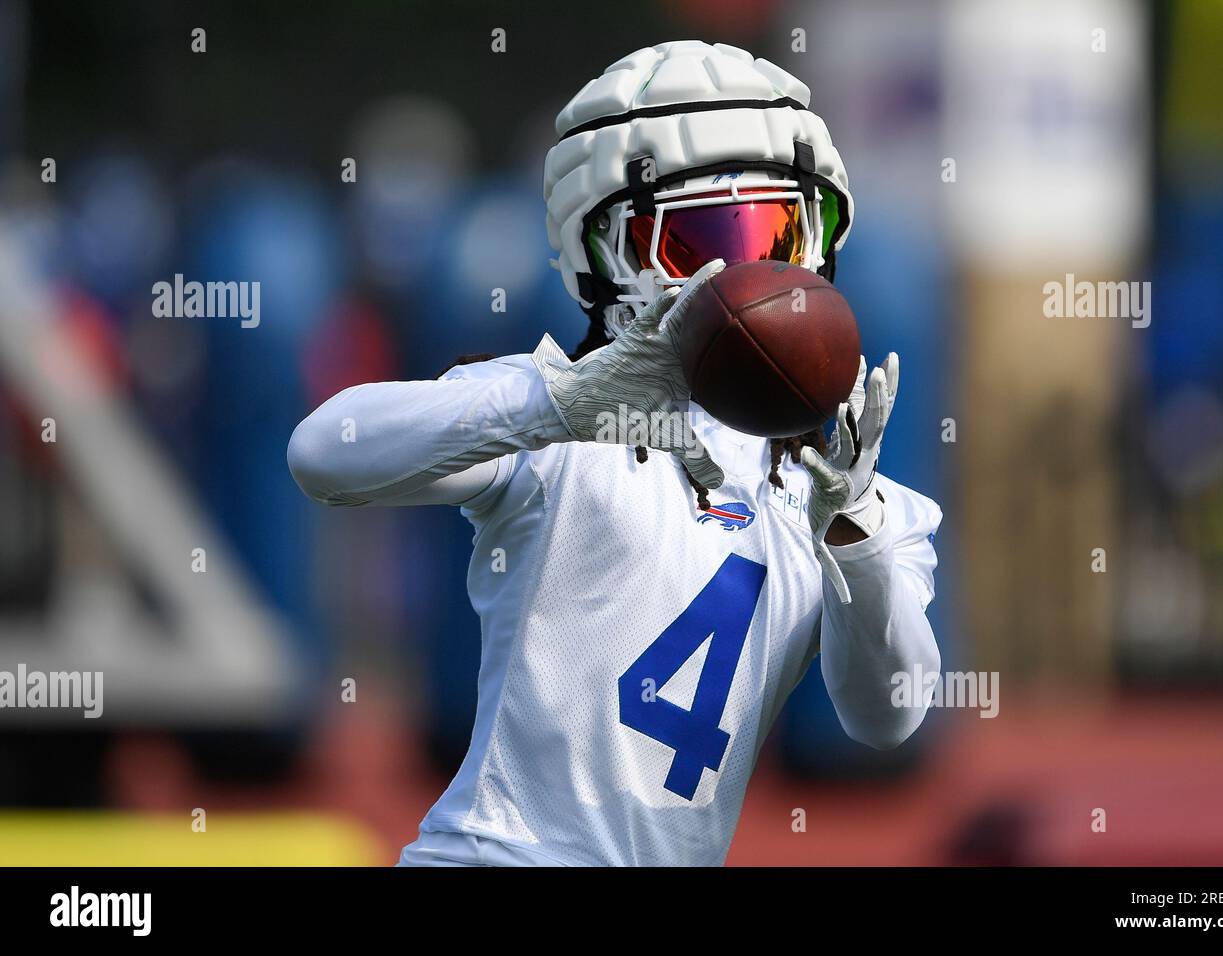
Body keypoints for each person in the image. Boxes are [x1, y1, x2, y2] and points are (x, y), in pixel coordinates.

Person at [288, 40, 941, 867]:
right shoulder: (559, 420)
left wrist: (855, 527)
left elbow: (888, 717)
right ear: (610, 254)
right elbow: (322, 452)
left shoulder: (849, 489)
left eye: (774, 232)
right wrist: (554, 405)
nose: (744, 277)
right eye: (698, 243)